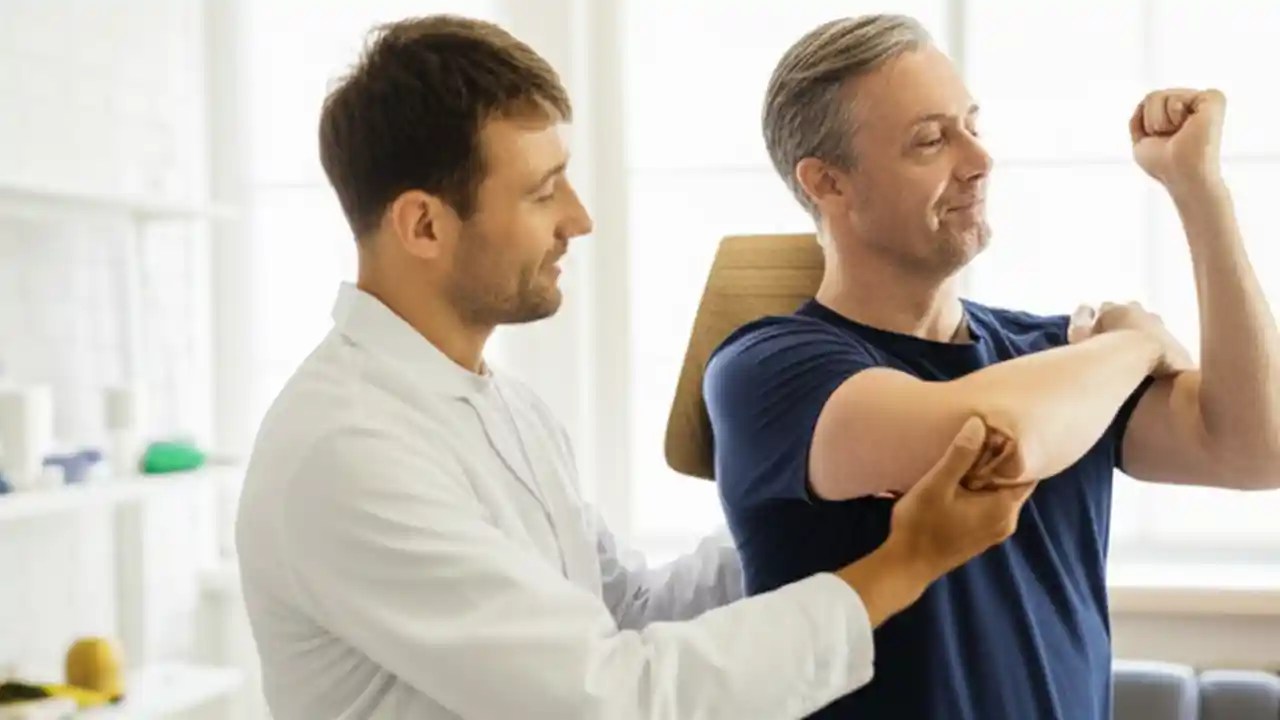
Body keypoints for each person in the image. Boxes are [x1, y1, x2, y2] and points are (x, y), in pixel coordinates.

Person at [233, 15, 1040, 720]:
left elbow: (631, 610)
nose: (578, 220)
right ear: (423, 225)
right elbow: (612, 696)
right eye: (543, 192)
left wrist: (804, 504)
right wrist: (907, 562)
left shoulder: (502, 407)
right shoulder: (345, 451)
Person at [704, 13, 1280, 720]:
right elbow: (996, 437)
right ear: (828, 183)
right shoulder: (770, 371)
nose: (978, 159)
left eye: (972, 123)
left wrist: (1200, 193)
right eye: (930, 140)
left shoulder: (1056, 363)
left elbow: (1258, 448)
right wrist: (1134, 346)